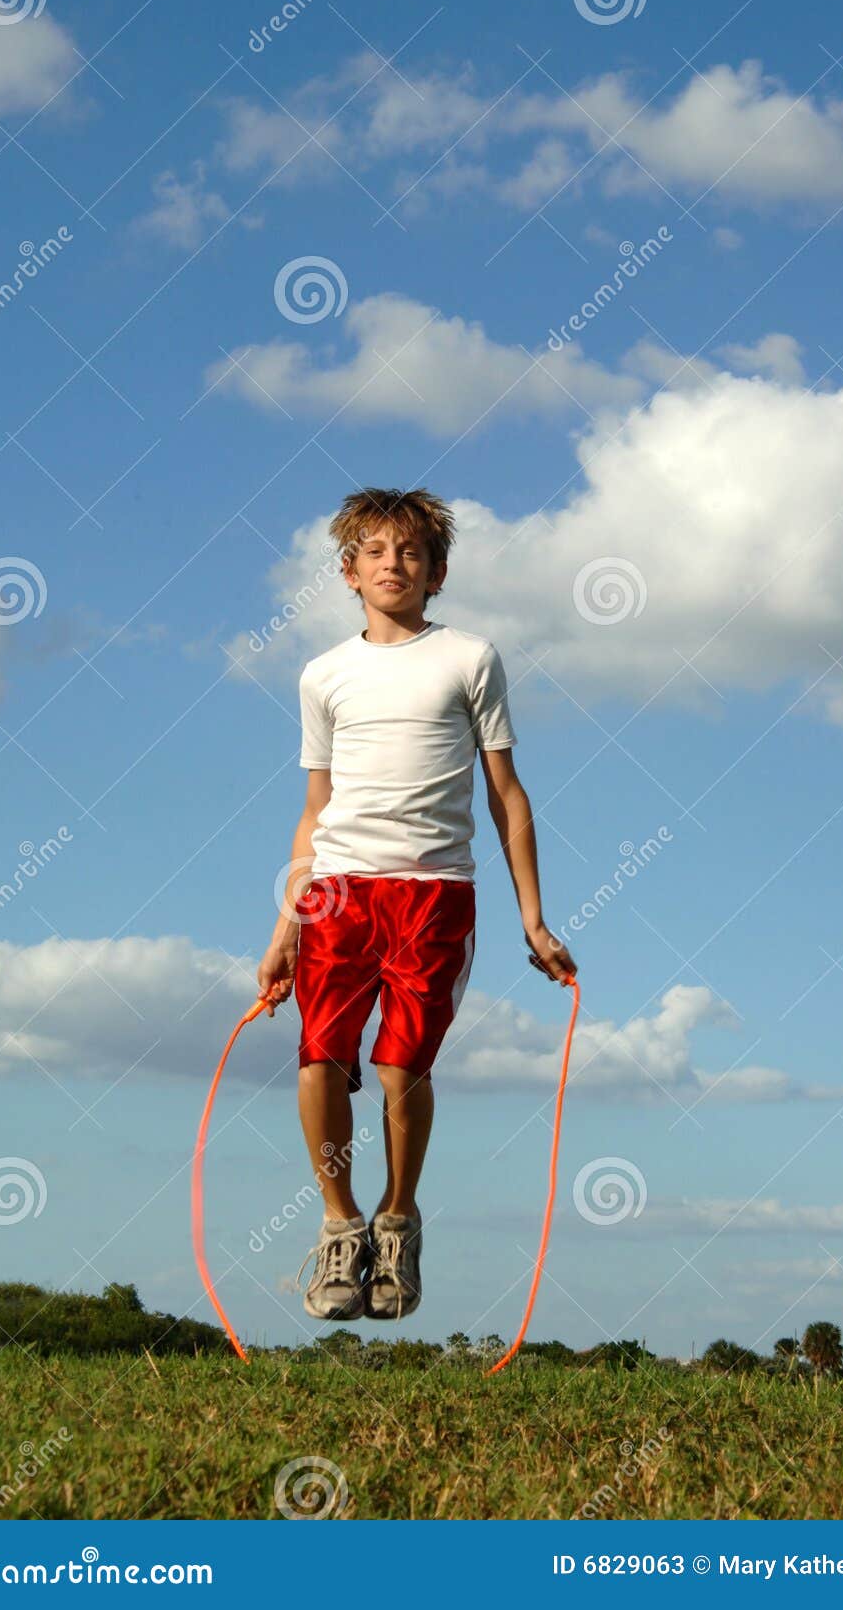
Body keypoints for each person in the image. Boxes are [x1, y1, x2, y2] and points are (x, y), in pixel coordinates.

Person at [256, 486, 577, 1323]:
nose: (391, 564)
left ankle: (397, 1222)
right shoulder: (323, 674)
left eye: (409, 553)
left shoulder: (469, 658)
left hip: (435, 894)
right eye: (374, 551)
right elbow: (315, 809)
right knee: (320, 1054)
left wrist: (532, 918)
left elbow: (507, 796)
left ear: (436, 573)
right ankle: (340, 1226)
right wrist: (286, 924)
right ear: (347, 571)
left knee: (402, 1062)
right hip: (337, 891)